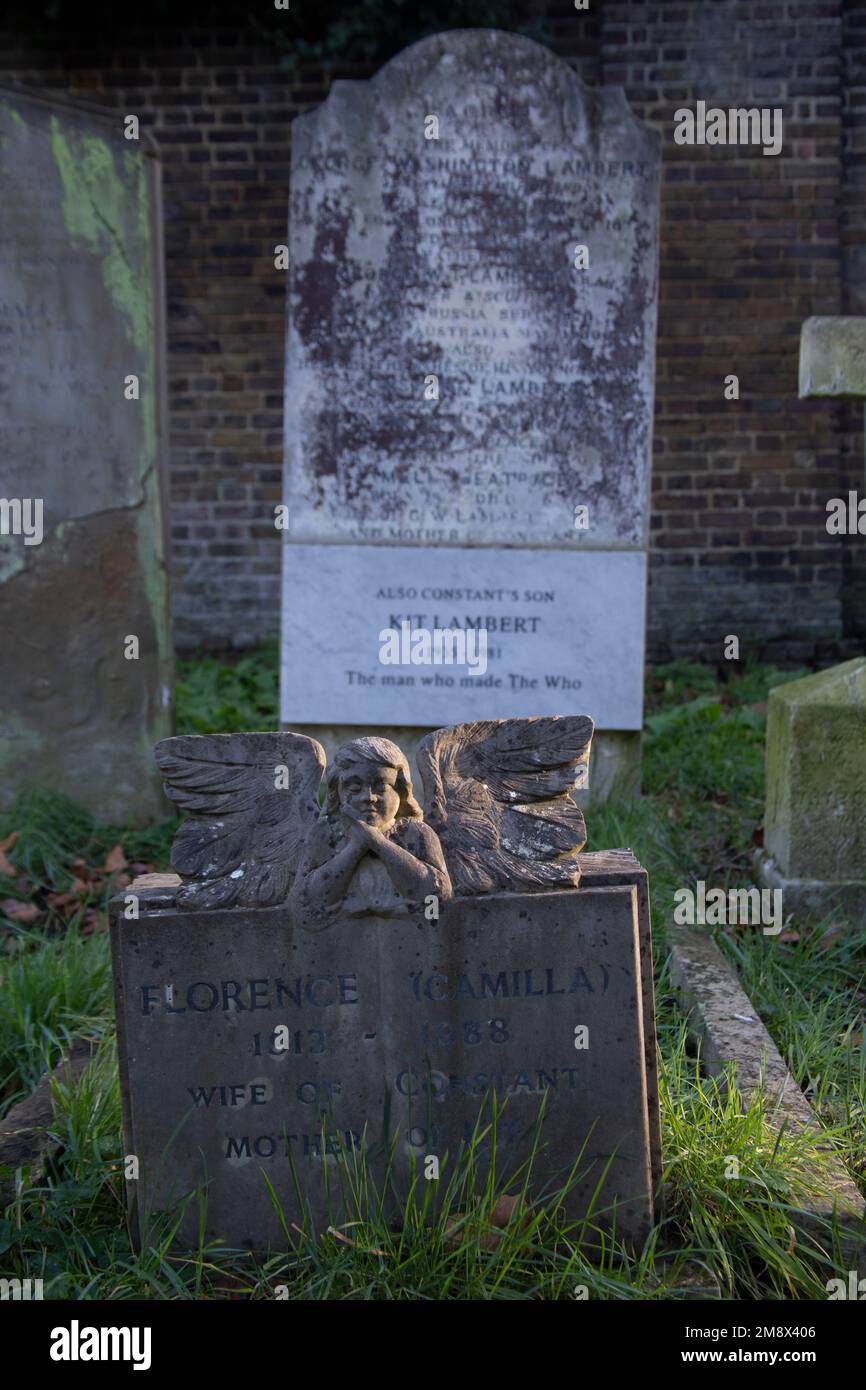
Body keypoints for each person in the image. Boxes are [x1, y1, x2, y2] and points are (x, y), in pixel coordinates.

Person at [288, 736, 452, 931]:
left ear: (400, 790)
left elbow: (435, 898)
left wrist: (377, 842)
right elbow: (307, 904)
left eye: (381, 787)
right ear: (337, 792)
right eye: (355, 788)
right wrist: (357, 847)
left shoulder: (416, 833)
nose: (368, 798)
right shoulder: (325, 833)